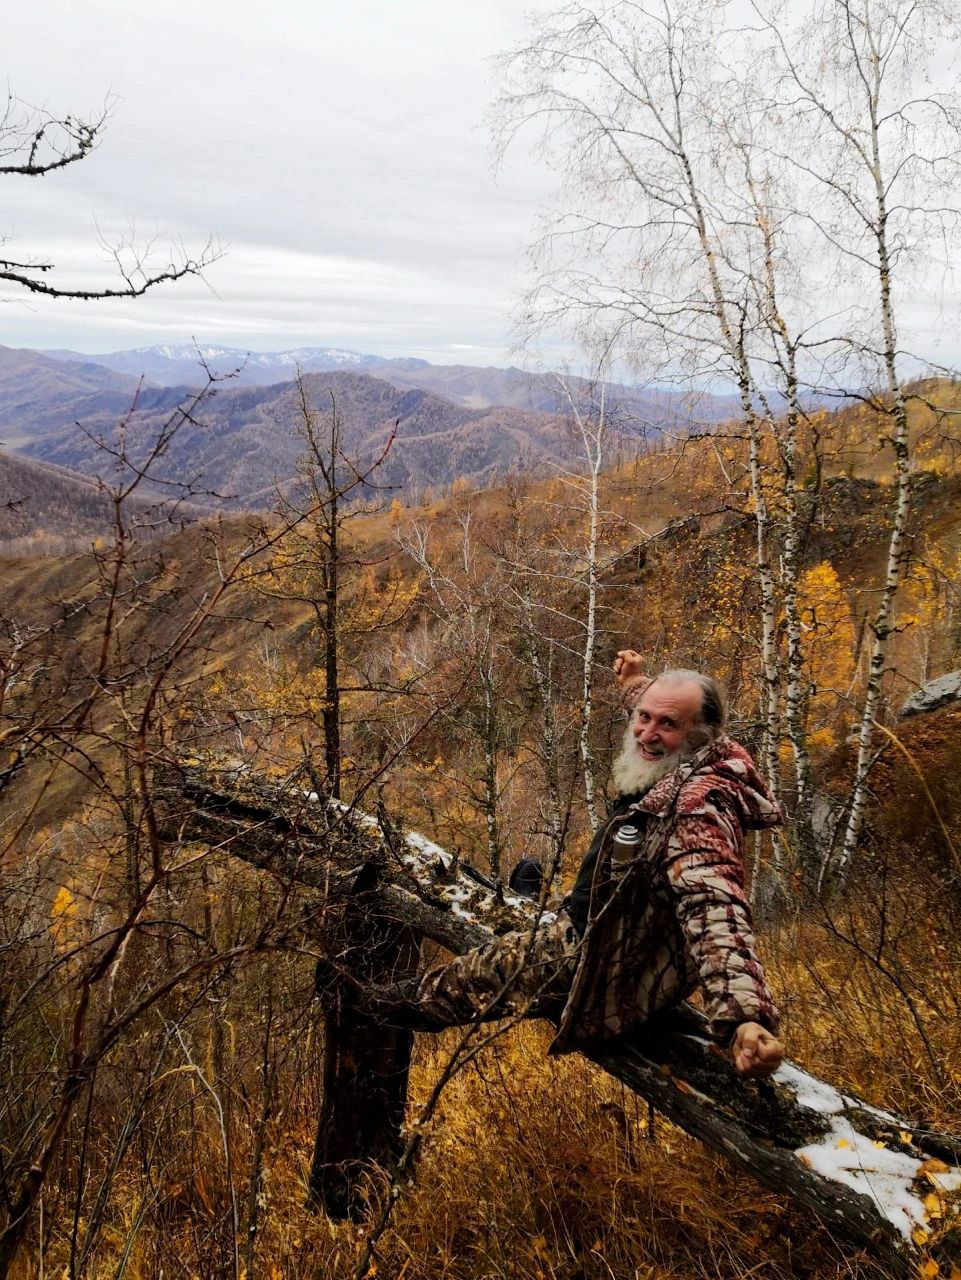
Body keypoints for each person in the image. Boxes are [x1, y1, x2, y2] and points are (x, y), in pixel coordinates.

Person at [326, 652, 785, 1079]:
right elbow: (655, 705)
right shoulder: (702, 754)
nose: (646, 733)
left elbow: (714, 906)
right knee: (517, 892)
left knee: (464, 980)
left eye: (667, 724)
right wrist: (635, 683)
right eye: (643, 716)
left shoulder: (697, 807)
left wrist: (745, 1017)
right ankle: (523, 906)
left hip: (601, 958)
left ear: (700, 734)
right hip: (605, 927)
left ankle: (369, 1004)